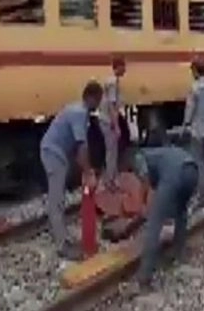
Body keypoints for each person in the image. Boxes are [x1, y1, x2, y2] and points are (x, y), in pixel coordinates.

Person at [40, 81, 103, 260]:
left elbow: (77, 151)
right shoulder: (79, 114)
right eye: (99, 100)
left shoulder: (78, 112)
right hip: (53, 153)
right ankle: (62, 245)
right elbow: (82, 147)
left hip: (56, 153)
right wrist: (89, 172)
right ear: (92, 98)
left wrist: (85, 170)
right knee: (57, 200)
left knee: (58, 198)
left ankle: (62, 237)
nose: (99, 105)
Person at [133, 142, 199, 291]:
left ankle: (144, 278)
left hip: (174, 174)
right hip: (192, 170)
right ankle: (180, 256)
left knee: (154, 224)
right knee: (181, 213)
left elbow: (145, 180)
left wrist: (143, 204)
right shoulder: (160, 153)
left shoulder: (139, 156)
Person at [182, 57, 204, 211]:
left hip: (197, 130)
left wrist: (185, 125)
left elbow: (190, 110)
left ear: (196, 71)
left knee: (199, 163)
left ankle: (203, 196)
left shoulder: (194, 88)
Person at [99, 56, 126, 185]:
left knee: (111, 150)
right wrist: (116, 126)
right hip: (107, 121)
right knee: (112, 151)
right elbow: (112, 105)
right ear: (118, 67)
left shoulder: (110, 80)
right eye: (123, 67)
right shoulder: (113, 82)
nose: (125, 70)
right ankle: (110, 180)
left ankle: (112, 177)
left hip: (104, 119)